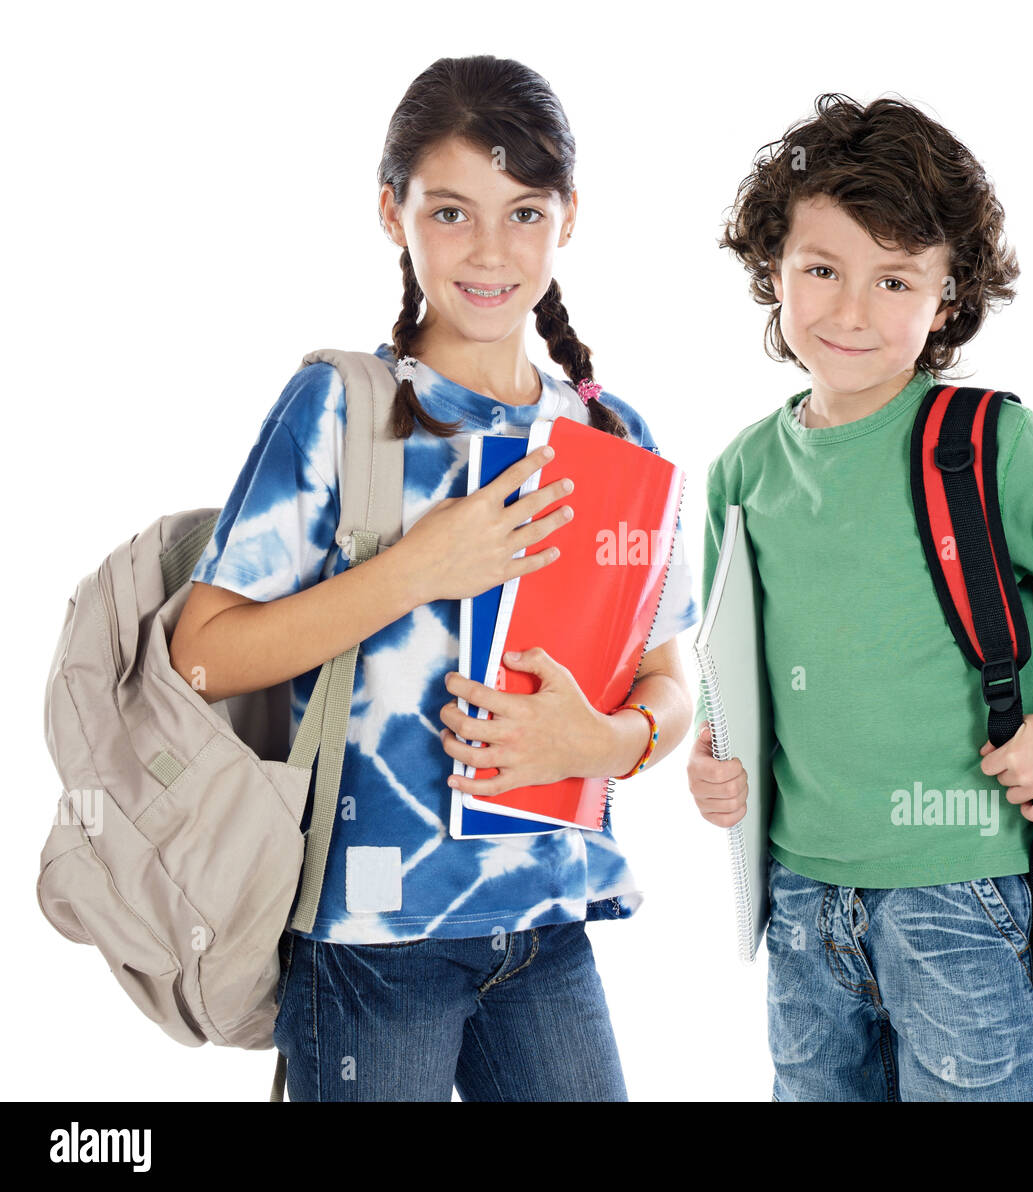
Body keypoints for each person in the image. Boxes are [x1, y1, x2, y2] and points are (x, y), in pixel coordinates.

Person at [169, 54, 699, 1101]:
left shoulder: (607, 433)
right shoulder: (339, 408)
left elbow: (670, 677)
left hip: (545, 931)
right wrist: (419, 567)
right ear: (391, 211)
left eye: (525, 212)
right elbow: (202, 655)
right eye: (451, 212)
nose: (491, 251)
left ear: (569, 216)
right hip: (372, 940)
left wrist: (611, 740)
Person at [686, 93, 1033, 1102]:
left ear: (948, 298)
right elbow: (726, 675)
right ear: (771, 270)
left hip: (962, 898)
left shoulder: (991, 446)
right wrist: (711, 759)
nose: (850, 310)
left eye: (894, 278)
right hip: (799, 896)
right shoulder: (741, 472)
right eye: (820, 269)